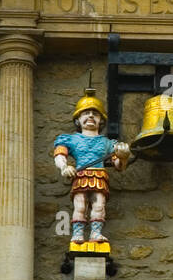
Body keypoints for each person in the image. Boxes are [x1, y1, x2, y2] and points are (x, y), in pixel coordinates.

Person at [53, 92, 130, 250]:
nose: (90, 116)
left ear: (101, 120)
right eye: (86, 113)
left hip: (99, 176)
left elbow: (119, 166)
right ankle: (77, 234)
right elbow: (60, 154)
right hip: (80, 175)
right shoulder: (71, 139)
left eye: (95, 114)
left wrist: (123, 157)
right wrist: (64, 167)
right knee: (80, 206)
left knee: (99, 206)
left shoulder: (108, 143)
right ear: (78, 119)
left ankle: (95, 234)